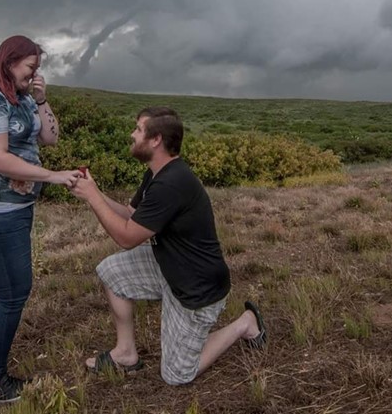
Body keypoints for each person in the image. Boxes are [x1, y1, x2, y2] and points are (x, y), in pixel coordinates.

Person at [68, 106, 267, 385]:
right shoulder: (157, 173)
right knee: (111, 271)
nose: (132, 134)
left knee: (176, 375)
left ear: (156, 139)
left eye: (138, 129)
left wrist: (93, 198)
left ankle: (245, 323)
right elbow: (131, 215)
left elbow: (126, 238)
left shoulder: (172, 183)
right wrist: (95, 192)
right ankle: (125, 353)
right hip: (170, 265)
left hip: (195, 287)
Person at [0, 35, 83, 406]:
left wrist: (41, 99)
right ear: (9, 62)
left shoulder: (24, 100)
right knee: (12, 295)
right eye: (30, 67)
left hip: (13, 210)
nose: (34, 74)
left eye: (37, 68)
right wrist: (52, 176)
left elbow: (50, 139)